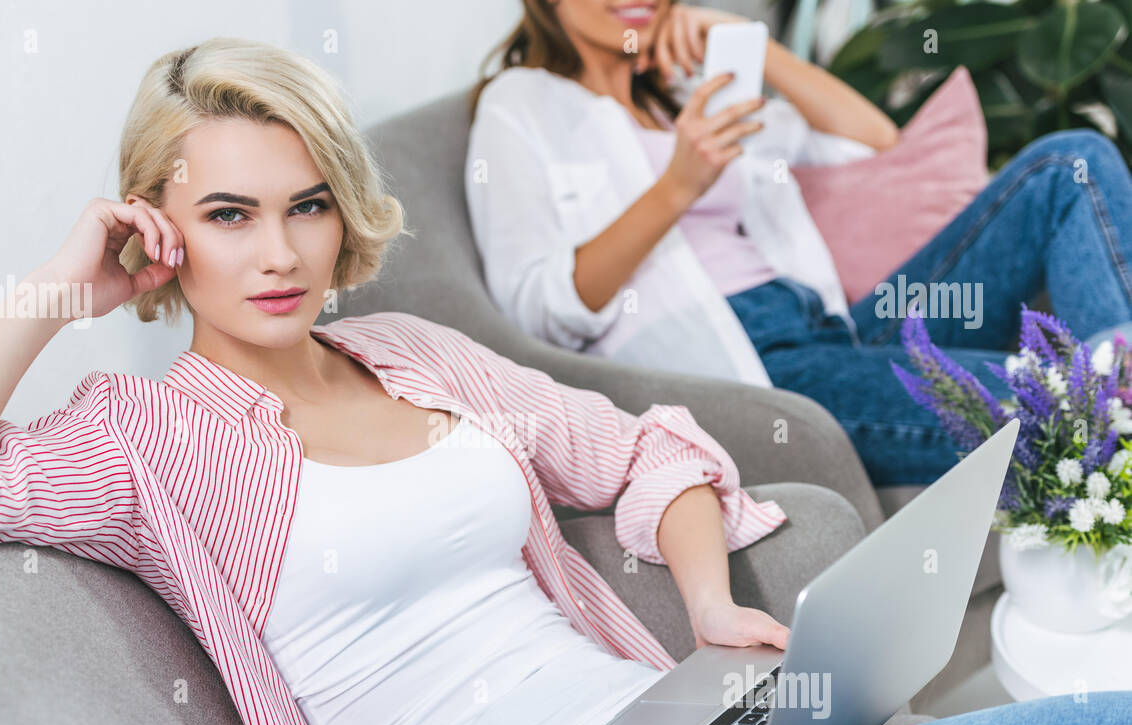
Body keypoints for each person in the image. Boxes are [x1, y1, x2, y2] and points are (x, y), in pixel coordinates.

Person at [0, 37, 1128, 725]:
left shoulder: (415, 354)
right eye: (228, 215)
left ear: (344, 220)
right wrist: (65, 287)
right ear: (159, 237)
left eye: (305, 208)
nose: (279, 254)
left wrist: (711, 602)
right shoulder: (141, 443)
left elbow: (641, 450)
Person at [464, 0, 1132, 486]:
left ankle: (1123, 376)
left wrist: (755, 46)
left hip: (837, 329)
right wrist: (677, 185)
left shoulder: (692, 92)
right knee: (1063, 407)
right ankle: (1116, 403)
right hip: (758, 373)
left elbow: (871, 145)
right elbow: (535, 307)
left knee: (1067, 166)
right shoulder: (519, 106)